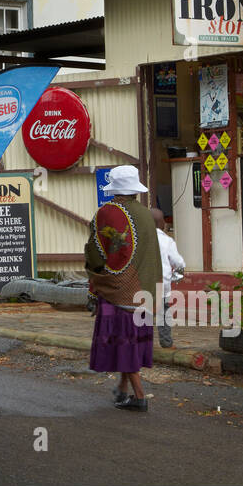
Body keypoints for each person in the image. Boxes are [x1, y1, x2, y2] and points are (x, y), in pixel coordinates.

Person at [85, 165, 162, 412]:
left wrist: (94, 277)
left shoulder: (108, 213)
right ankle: (122, 389)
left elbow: (98, 251)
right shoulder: (147, 214)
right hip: (146, 290)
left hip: (120, 289)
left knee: (123, 342)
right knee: (132, 341)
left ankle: (139, 396)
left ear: (114, 189)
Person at [151, 207, 186, 349]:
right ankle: (166, 342)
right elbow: (179, 263)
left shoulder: (139, 238)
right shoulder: (167, 241)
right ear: (162, 223)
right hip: (162, 283)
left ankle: (139, 343)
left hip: (141, 282)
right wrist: (175, 277)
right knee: (163, 312)